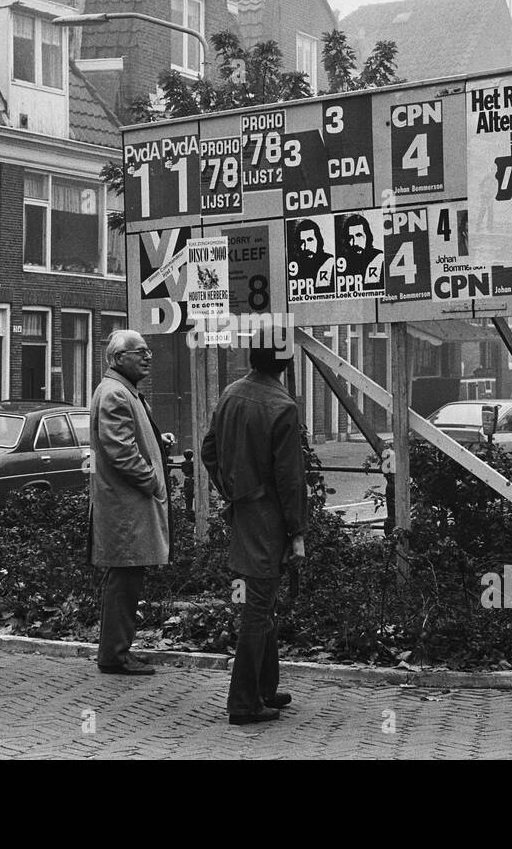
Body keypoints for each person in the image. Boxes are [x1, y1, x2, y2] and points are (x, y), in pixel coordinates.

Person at [202, 345, 307, 725]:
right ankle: (244, 702)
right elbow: (290, 477)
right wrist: (297, 532)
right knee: (259, 607)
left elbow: (208, 450)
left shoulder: (230, 394)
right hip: (270, 518)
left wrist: (232, 489)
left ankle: (265, 687)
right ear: (287, 361)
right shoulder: (283, 406)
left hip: (244, 511)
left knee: (263, 600)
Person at [89, 329, 174, 675]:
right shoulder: (116, 394)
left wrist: (157, 440)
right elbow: (122, 452)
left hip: (127, 504)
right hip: (126, 507)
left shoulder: (124, 391)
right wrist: (153, 481)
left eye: (148, 350)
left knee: (127, 577)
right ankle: (115, 654)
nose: (148, 356)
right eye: (139, 351)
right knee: (124, 578)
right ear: (117, 358)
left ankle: (116, 650)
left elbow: (129, 440)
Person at [338, 213, 384, 286]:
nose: (355, 243)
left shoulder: (380, 260)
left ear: (368, 236)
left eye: (359, 235)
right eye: (350, 237)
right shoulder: (342, 262)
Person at [290, 218, 334, 285]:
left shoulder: (330, 263)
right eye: (302, 242)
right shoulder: (295, 266)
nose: (306, 247)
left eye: (310, 240)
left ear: (318, 241)